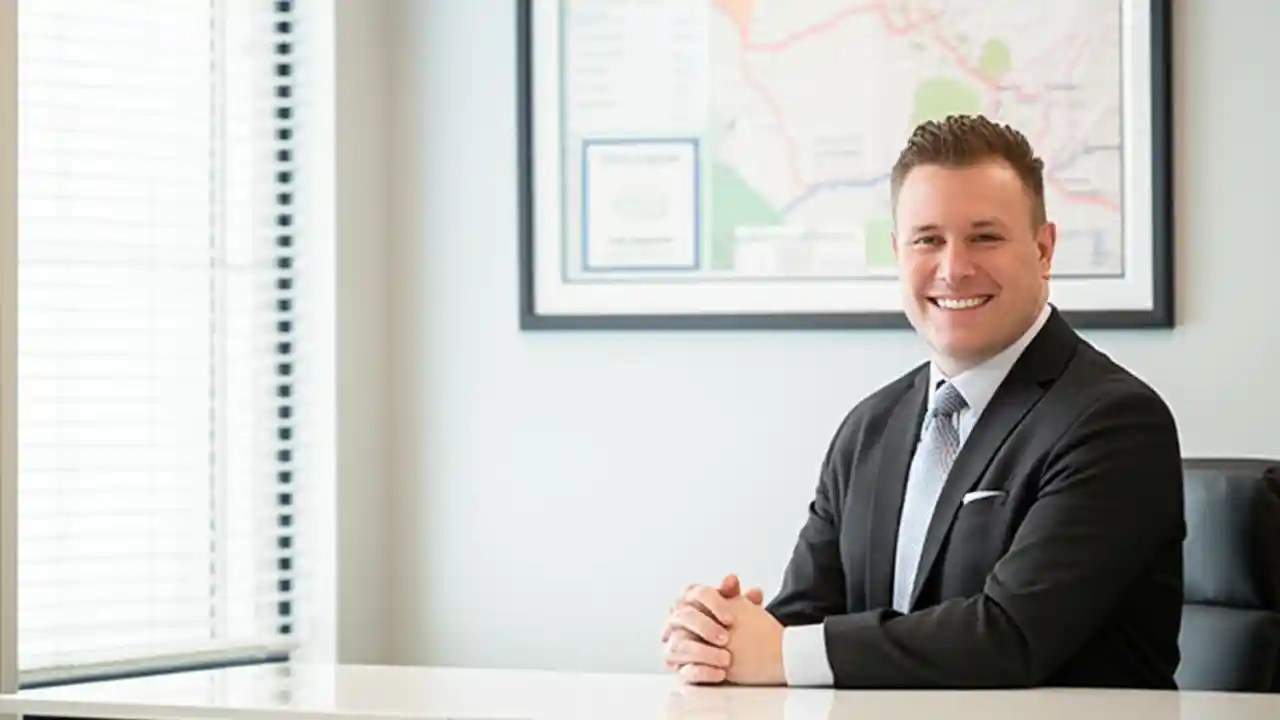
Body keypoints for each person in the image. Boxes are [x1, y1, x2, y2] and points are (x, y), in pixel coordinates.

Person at [659, 114, 1185, 689]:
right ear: (897, 252)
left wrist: (780, 653)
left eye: (985, 237)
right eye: (927, 239)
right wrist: (721, 639)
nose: (954, 268)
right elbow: (807, 620)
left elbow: (1010, 639)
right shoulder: (870, 426)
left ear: (1042, 248)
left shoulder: (1113, 422)